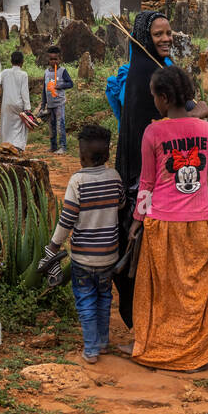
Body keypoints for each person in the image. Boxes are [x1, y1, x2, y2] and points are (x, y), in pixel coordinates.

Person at [127, 64, 208, 371]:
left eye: (154, 96)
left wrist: (136, 222)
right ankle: (195, 347)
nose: (153, 101)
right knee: (194, 288)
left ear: (165, 98)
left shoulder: (153, 132)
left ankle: (163, 345)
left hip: (163, 222)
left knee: (167, 290)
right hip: (199, 221)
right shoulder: (207, 131)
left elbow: (147, 184)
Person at [40, 125, 125, 363]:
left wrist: (54, 247)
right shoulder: (115, 177)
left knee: (86, 298)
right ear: (107, 155)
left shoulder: (77, 182)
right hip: (109, 255)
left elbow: (67, 219)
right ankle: (103, 342)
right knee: (105, 297)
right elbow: (120, 204)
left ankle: (91, 349)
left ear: (81, 155)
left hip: (83, 257)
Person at [113, 10, 175, 326]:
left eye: (168, 32)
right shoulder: (147, 77)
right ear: (143, 40)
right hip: (145, 179)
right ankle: (144, 317)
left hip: (160, 176)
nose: (166, 39)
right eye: (158, 35)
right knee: (141, 247)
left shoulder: (158, 68)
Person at [40, 45, 72, 154]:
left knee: (60, 124)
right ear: (48, 60)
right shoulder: (46, 72)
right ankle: (53, 146)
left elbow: (70, 83)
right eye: (51, 59)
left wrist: (59, 86)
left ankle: (63, 146)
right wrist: (42, 104)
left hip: (59, 103)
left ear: (60, 59)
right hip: (50, 104)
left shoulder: (62, 71)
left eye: (55, 59)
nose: (53, 61)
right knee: (51, 126)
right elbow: (44, 89)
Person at [0, 49, 32, 152]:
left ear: (11, 61)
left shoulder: (5, 72)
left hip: (7, 103)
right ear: (22, 62)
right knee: (20, 126)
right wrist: (27, 108)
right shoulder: (23, 74)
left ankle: (5, 144)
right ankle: (17, 146)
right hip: (18, 104)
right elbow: (24, 92)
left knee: (6, 124)